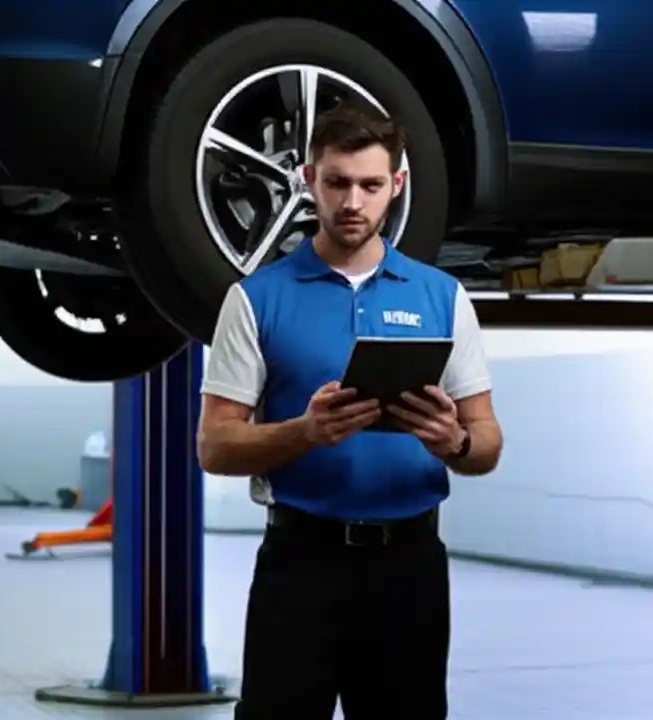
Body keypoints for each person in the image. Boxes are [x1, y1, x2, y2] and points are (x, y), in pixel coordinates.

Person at [197, 100, 503, 719]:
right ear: (309, 179)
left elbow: (488, 440)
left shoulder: (442, 297)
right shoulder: (255, 299)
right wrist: (304, 432)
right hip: (299, 564)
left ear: (398, 183)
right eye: (337, 183)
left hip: (409, 567)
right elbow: (215, 446)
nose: (353, 203)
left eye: (370, 185)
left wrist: (455, 442)